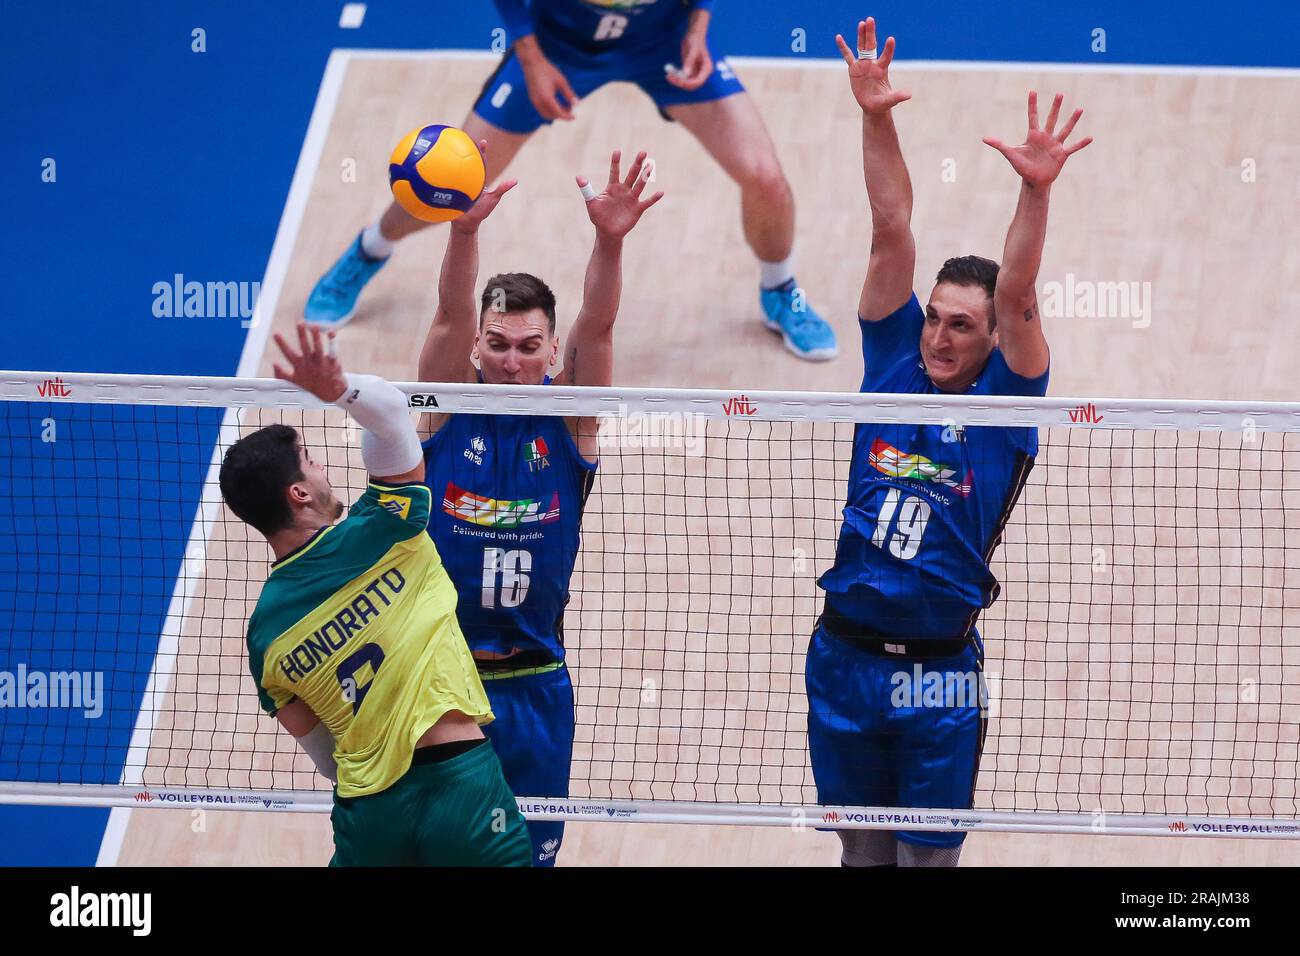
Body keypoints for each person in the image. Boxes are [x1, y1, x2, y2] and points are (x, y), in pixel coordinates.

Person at [807, 18, 1091, 867]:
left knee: (927, 863)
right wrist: (874, 116)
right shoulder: (893, 362)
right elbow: (891, 225)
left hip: (939, 674)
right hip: (844, 656)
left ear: (993, 338)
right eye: (933, 317)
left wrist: (1035, 193)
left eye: (961, 325)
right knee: (861, 860)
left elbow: (1022, 287)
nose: (937, 335)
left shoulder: (1010, 401)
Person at [305, 0, 837, 361]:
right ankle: (369, 249)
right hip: (557, 44)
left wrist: (698, 28)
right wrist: (531, 59)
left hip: (663, 42)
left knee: (767, 179)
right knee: (451, 183)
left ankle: (780, 292)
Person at [414, 146, 661, 865]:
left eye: (529, 346)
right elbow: (448, 311)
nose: (512, 360)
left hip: (535, 687)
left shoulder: (570, 422)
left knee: (524, 859)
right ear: (476, 348)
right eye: (497, 344)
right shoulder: (443, 409)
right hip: (440, 683)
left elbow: (599, 325)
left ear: (554, 353)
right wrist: (464, 231)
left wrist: (609, 241)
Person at [220, 323, 532, 866]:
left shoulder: (264, 637)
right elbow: (388, 411)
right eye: (311, 461)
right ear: (299, 493)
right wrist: (340, 390)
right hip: (461, 789)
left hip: (369, 818)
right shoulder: (387, 527)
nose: (322, 467)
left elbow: (326, 761)